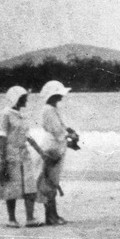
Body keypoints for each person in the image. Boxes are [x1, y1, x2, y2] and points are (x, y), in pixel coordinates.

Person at [33, 80, 78, 227]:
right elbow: (58, 132)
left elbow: (60, 129)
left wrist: (69, 133)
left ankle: (53, 214)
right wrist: (70, 137)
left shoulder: (52, 108)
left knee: (52, 181)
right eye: (59, 94)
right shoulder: (48, 110)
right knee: (50, 182)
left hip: (56, 145)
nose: (61, 97)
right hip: (52, 147)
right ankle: (51, 216)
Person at [0, 87, 38, 226]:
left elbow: (27, 136)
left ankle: (30, 218)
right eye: (24, 97)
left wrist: (41, 151)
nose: (26, 100)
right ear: (17, 98)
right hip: (10, 153)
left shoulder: (22, 115)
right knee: (11, 187)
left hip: (24, 153)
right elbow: (2, 136)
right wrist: (2, 159)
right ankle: (12, 219)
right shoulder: (6, 114)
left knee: (30, 184)